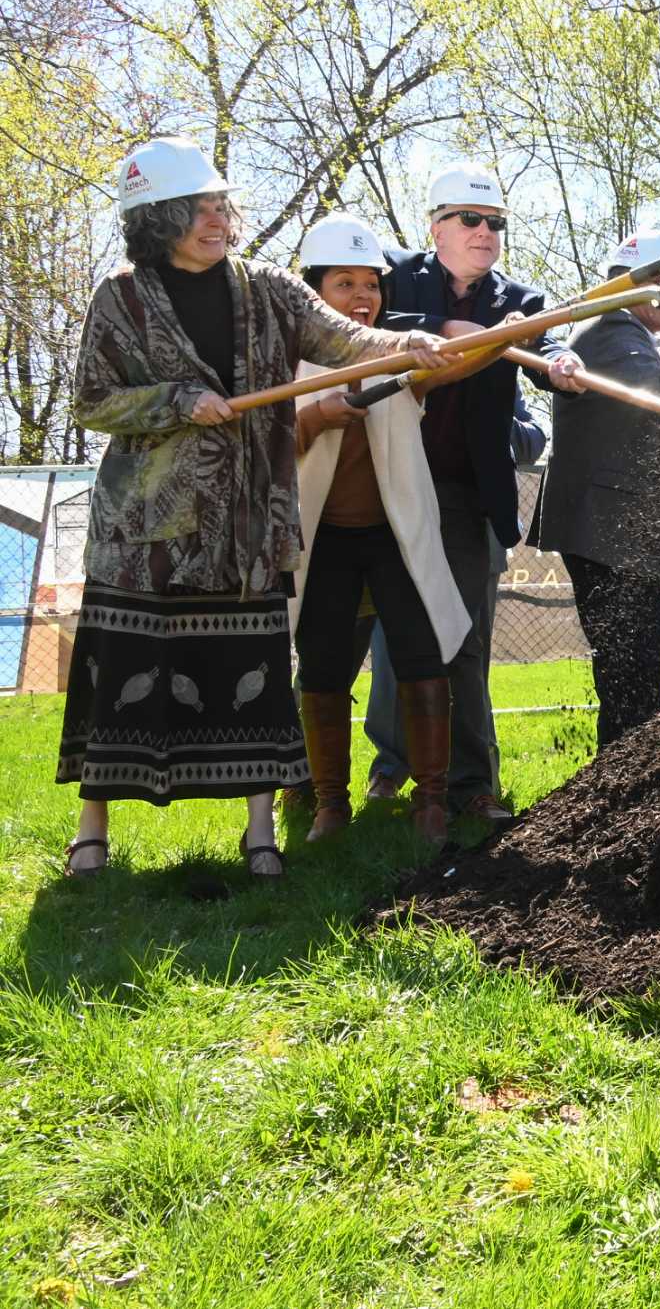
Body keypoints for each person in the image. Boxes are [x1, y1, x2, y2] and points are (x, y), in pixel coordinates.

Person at [56, 137, 444, 878]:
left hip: (249, 528)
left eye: (219, 205)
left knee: (253, 672)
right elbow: (90, 401)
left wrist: (405, 343)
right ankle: (92, 831)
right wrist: (176, 401)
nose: (215, 218)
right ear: (156, 218)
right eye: (196, 208)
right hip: (146, 536)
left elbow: (346, 339)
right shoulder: (120, 298)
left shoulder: (266, 289)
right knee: (128, 674)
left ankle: (260, 832)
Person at [359, 160, 585, 824]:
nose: (486, 232)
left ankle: (472, 785)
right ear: (436, 227)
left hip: (465, 493)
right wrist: (435, 330)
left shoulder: (518, 301)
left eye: (496, 223)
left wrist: (563, 362)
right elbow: (356, 317)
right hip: (387, 483)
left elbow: (548, 347)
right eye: (471, 219)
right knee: (392, 636)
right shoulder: (398, 275)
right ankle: (391, 768)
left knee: (465, 640)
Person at [289, 213, 470, 844]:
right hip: (325, 539)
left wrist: (501, 337)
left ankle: (432, 803)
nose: (363, 298)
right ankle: (329, 805)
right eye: (345, 284)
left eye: (371, 285)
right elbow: (260, 446)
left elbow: (455, 365)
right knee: (324, 665)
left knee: (423, 658)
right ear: (312, 291)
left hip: (396, 536)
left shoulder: (398, 350)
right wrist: (314, 418)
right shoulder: (284, 362)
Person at [529, 227, 660, 748]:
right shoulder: (610, 331)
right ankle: (624, 780)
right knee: (633, 667)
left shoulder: (626, 336)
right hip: (606, 532)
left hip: (614, 534)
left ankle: (625, 773)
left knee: (635, 666)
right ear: (632, 285)